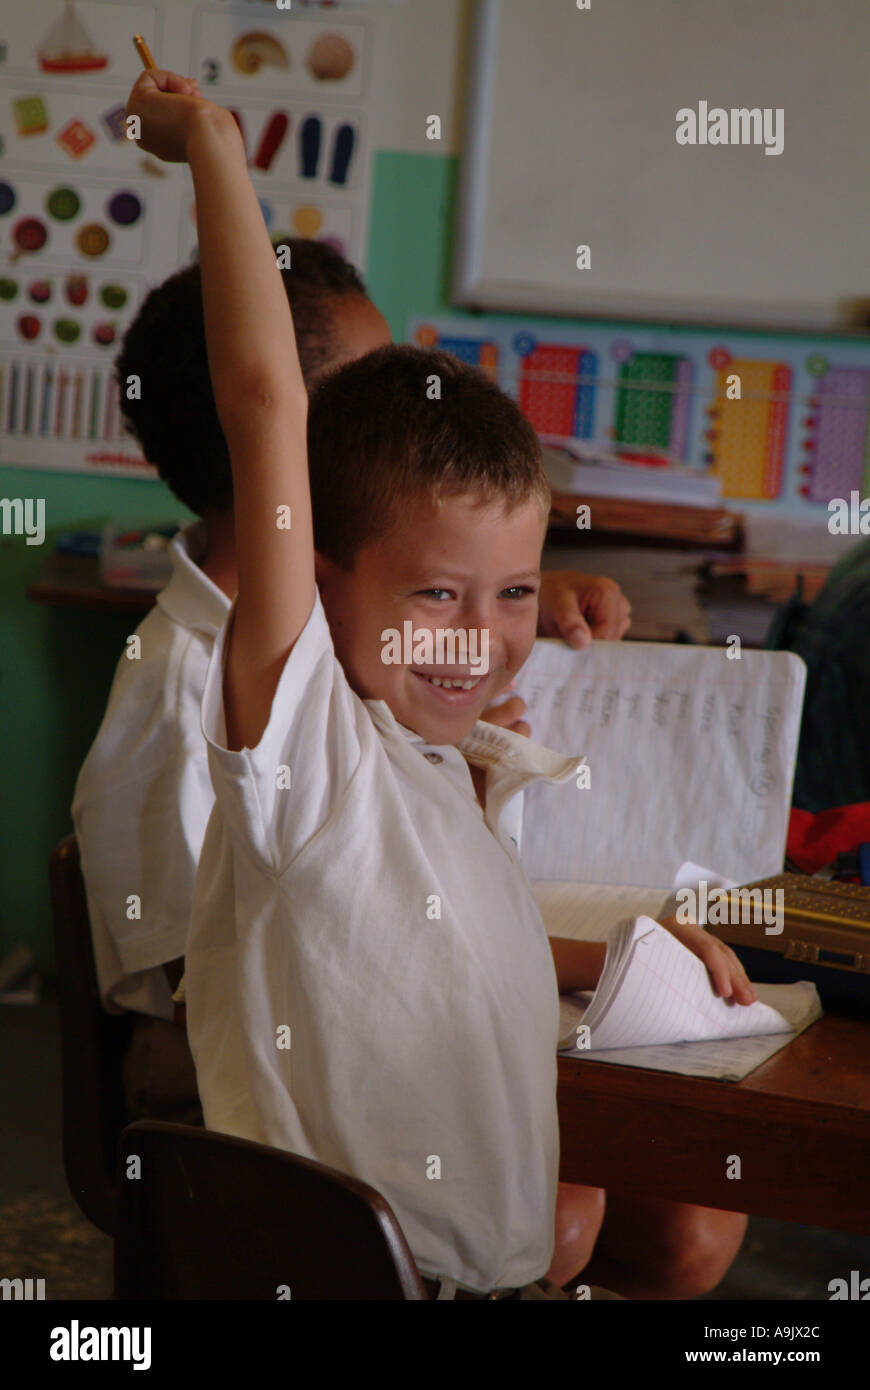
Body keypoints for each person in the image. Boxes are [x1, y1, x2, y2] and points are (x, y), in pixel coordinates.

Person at [124, 67, 753, 1300]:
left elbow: (450, 944)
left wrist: (620, 955)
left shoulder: (434, 777)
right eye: (435, 596)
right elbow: (265, 405)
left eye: (513, 592)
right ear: (314, 581)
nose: (484, 637)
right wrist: (211, 140)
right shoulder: (307, 755)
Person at [72, 247, 630, 1128]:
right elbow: (247, 974)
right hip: (226, 1098)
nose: (420, 402)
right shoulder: (187, 686)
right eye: (370, 387)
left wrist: (494, 600)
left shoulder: (362, 644)